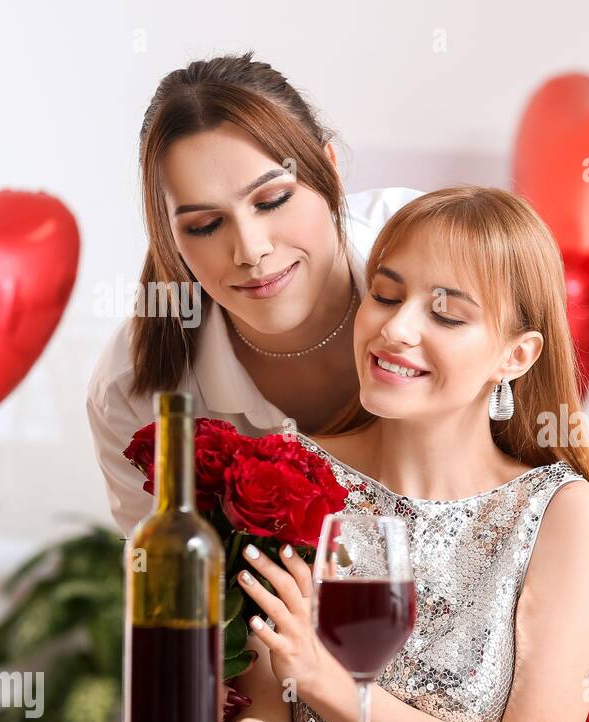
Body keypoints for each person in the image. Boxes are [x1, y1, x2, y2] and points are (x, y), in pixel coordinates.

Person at [218, 187, 589, 722]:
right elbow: (268, 719)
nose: (396, 328)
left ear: (517, 356)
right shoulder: (287, 481)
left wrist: (330, 684)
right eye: (384, 295)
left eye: (447, 315)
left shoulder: (566, 518)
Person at [86, 52, 420, 535]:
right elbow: (171, 593)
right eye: (205, 225)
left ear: (328, 168)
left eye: (272, 200)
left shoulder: (434, 252)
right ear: (168, 233)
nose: (250, 250)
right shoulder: (133, 386)